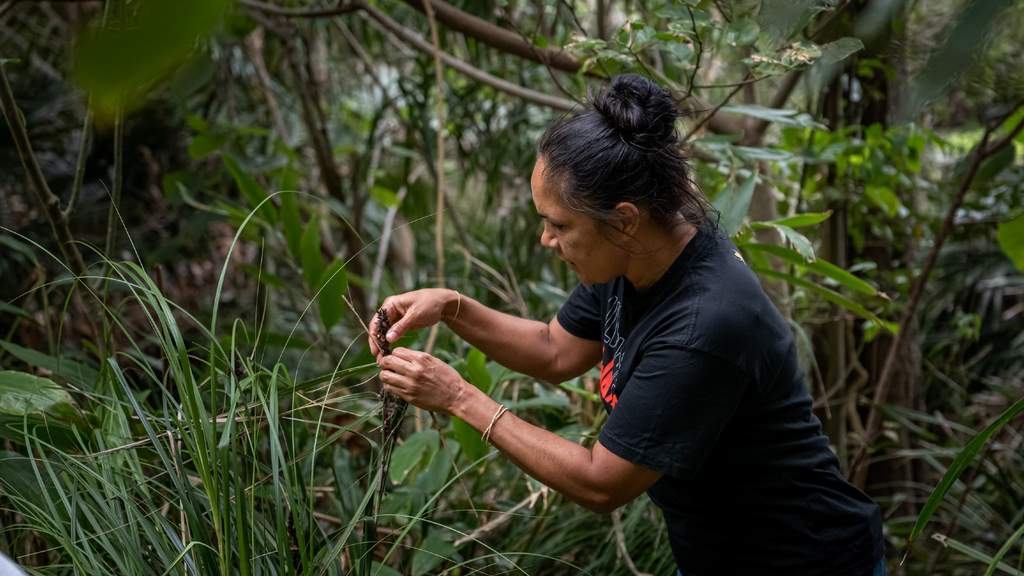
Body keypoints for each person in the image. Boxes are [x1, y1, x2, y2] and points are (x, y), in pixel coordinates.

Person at [370, 74, 885, 576]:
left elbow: (601, 483)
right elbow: (555, 351)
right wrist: (452, 306)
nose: (546, 241)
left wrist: (459, 396)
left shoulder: (703, 324)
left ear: (623, 219)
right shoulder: (635, 258)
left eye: (559, 225)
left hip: (803, 558)